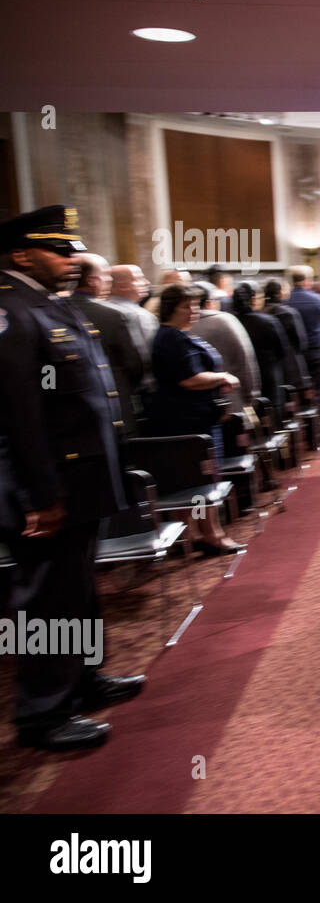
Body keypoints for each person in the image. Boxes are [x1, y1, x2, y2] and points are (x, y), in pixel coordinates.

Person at [0, 205, 146, 750]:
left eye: (70, 249)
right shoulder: (11, 311)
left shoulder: (48, 307)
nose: (70, 257)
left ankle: (82, 679)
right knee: (45, 600)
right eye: (58, 249)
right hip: (46, 489)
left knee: (78, 591)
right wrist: (41, 495)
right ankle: (41, 713)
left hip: (77, 483)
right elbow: (19, 414)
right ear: (21, 254)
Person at [148, 283, 244, 555]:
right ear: (171, 309)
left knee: (199, 479)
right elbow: (188, 379)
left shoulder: (178, 335)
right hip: (187, 420)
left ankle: (197, 534)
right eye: (185, 306)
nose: (193, 311)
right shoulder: (171, 337)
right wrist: (223, 377)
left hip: (196, 417)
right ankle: (210, 535)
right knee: (201, 479)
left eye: (195, 305)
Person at [68, 253, 144, 438]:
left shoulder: (54, 311)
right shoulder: (114, 315)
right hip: (115, 411)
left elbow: (47, 374)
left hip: (72, 416)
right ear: (93, 281)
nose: (110, 280)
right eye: (106, 275)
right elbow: (135, 366)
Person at [193, 281, 261, 412]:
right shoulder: (225, 321)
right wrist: (251, 398)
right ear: (208, 303)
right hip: (230, 401)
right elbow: (245, 362)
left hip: (195, 407)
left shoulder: (181, 326)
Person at [231, 281, 293, 421]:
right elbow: (282, 350)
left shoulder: (231, 321)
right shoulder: (267, 321)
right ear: (253, 300)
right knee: (272, 416)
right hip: (268, 373)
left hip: (241, 377)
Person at [263, 278, 311, 415]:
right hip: (292, 363)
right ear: (279, 293)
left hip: (270, 364)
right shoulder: (288, 312)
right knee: (297, 404)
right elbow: (301, 341)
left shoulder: (262, 312)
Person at [286, 265, 320, 399]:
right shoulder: (319, 300)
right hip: (315, 348)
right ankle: (318, 413)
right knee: (318, 387)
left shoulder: (286, 301)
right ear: (308, 281)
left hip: (294, 351)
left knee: (298, 388)